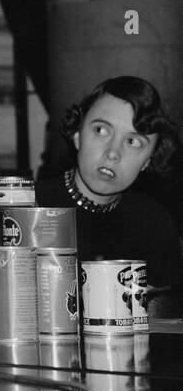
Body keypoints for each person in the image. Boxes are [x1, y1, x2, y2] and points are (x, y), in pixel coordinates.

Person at [35, 76, 182, 317]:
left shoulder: (154, 224)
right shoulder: (26, 208)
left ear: (148, 160)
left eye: (133, 141)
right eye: (101, 130)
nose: (113, 153)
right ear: (77, 134)